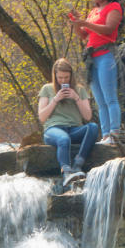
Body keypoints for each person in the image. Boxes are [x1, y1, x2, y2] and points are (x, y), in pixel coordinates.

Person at [68, 0, 124, 143]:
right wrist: (76, 23)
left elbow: (108, 29)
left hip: (106, 55)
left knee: (110, 97)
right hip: (92, 58)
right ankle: (105, 134)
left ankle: (115, 133)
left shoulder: (114, 7)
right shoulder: (93, 12)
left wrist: (85, 22)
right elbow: (84, 35)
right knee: (100, 100)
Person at [38, 58, 99, 188]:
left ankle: (77, 165)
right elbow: (42, 117)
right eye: (60, 78)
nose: (63, 81)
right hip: (53, 129)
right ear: (55, 76)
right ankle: (66, 173)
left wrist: (76, 98)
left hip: (74, 129)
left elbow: (87, 116)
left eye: (66, 77)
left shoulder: (80, 90)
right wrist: (55, 99)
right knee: (63, 139)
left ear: (71, 76)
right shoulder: (47, 89)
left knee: (93, 127)